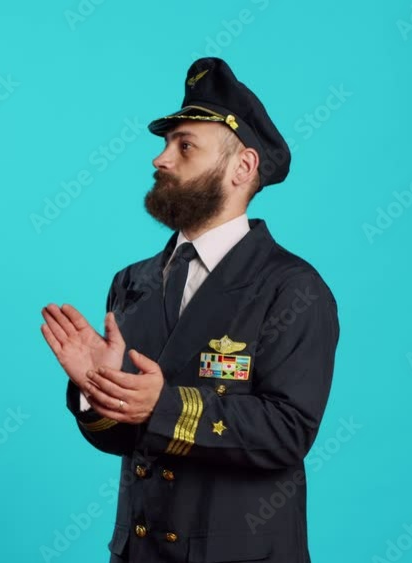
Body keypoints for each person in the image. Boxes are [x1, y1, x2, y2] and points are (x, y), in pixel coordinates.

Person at [40, 57, 340, 563]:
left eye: (184, 146)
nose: (160, 159)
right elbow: (128, 442)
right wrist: (100, 392)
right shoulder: (130, 282)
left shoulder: (293, 288)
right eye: (163, 145)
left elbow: (288, 434)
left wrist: (161, 405)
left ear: (242, 167)